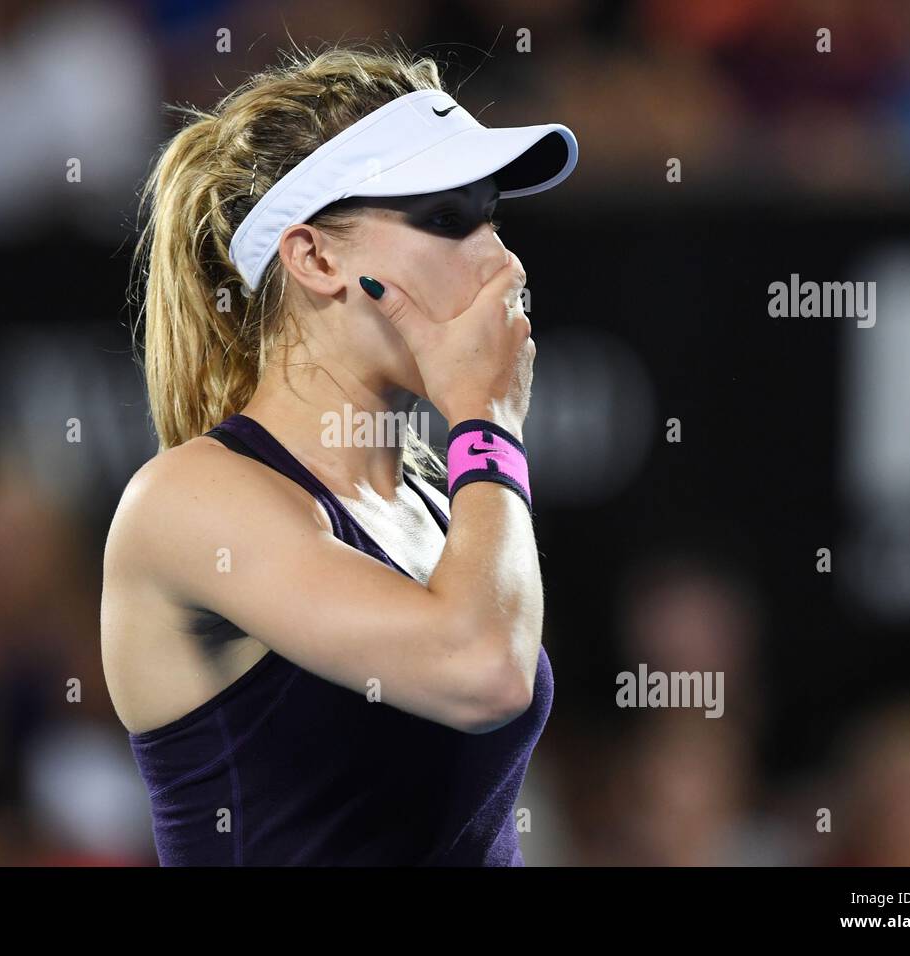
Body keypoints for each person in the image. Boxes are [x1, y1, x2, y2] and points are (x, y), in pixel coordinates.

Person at [100, 44, 579, 865]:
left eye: (495, 215)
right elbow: (482, 671)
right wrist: (488, 419)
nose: (504, 261)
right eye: (448, 217)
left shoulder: (439, 503)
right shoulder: (183, 502)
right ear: (316, 259)